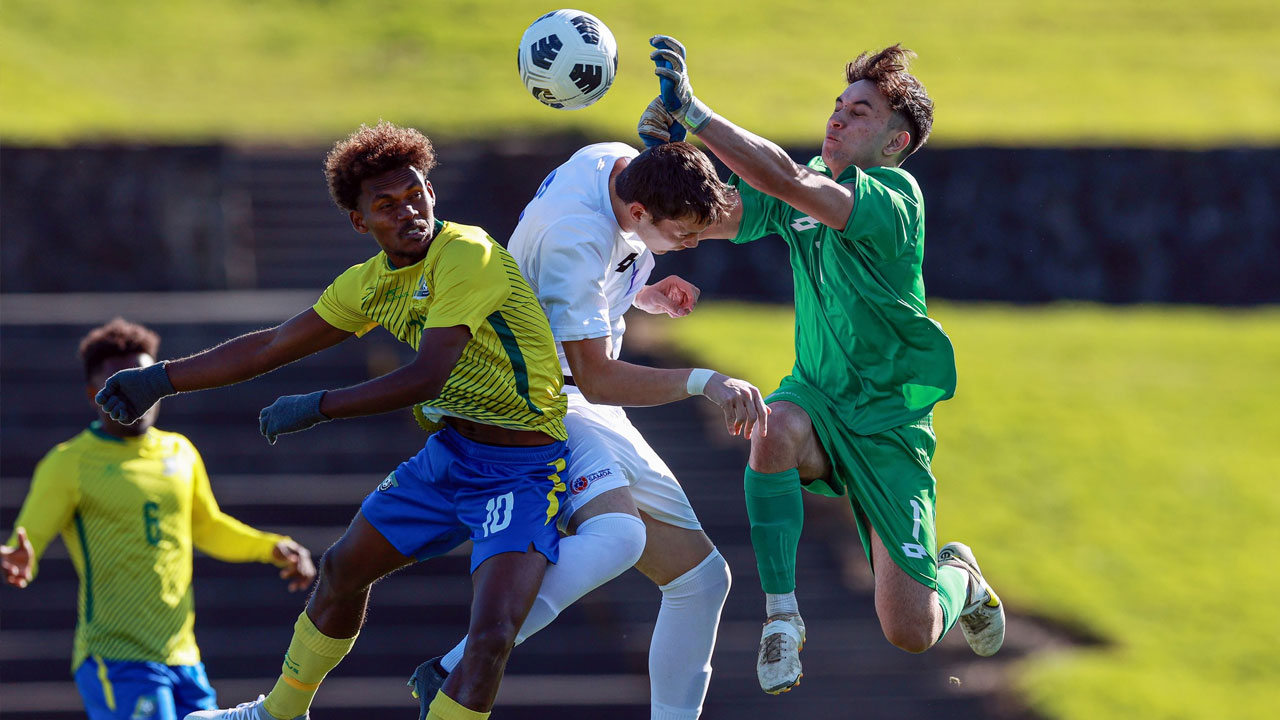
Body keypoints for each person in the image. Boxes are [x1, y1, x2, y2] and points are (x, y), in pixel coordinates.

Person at [94, 121, 571, 720]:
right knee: (343, 569)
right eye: (387, 205)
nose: (409, 212)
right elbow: (272, 345)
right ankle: (279, 714)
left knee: (493, 634)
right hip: (451, 455)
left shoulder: (465, 254)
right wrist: (158, 379)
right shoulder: (370, 284)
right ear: (360, 222)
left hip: (521, 469)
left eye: (417, 194)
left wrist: (320, 406)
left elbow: (429, 377)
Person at [638, 38, 1006, 694]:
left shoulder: (894, 199)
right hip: (817, 398)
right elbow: (714, 212)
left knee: (911, 631)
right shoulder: (807, 189)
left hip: (888, 428)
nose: (837, 117)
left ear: (895, 143)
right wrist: (665, 164)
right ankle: (783, 617)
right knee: (772, 428)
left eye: (860, 113)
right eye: (838, 105)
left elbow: (785, 180)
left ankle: (963, 578)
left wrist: (695, 112)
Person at [408, 140, 763, 720]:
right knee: (621, 538)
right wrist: (706, 382)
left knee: (701, 580)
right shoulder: (575, 234)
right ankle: (455, 667)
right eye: (684, 235)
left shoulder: (616, 163)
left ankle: (452, 667)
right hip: (540, 401)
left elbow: (585, 286)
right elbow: (597, 378)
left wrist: (643, 296)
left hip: (571, 390)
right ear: (642, 213)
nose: (692, 246)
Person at [0, 318, 316, 720]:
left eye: (144, 381)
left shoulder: (179, 452)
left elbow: (207, 526)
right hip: (117, 657)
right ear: (92, 392)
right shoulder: (68, 464)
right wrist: (18, 558)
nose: (136, 395)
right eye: (120, 383)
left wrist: (269, 546)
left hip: (183, 657)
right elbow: (28, 540)